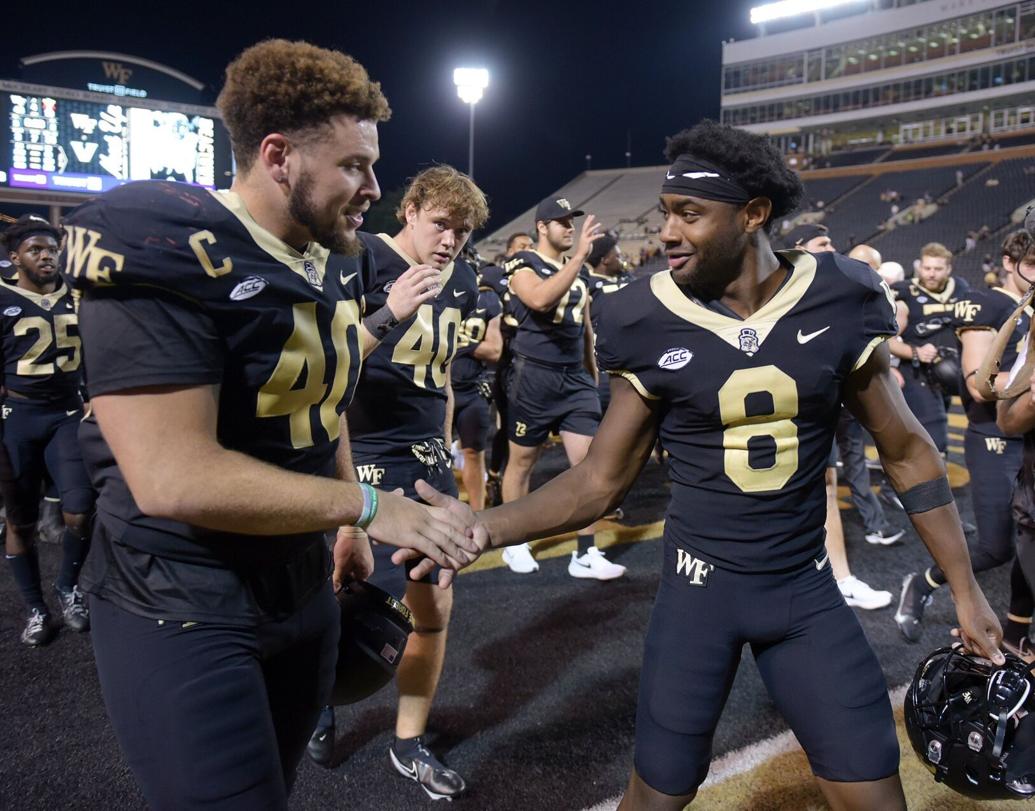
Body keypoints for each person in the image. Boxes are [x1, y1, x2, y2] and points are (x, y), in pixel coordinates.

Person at [424, 120, 1003, 809]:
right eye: (666, 212)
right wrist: (480, 529)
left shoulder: (838, 294)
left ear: (753, 213)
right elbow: (598, 480)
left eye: (689, 213)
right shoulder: (643, 314)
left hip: (804, 593)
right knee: (657, 792)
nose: (666, 231)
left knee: (874, 787)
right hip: (697, 595)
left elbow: (905, 450)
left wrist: (966, 591)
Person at [60, 40, 478, 810]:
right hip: (179, 593)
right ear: (279, 156)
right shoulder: (164, 242)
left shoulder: (329, 253)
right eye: (353, 164)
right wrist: (374, 508)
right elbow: (171, 476)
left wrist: (346, 512)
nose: (372, 187)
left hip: (298, 582)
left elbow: (326, 400)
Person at [312, 165, 488, 800]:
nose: (450, 241)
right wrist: (388, 311)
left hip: (423, 461)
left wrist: (441, 439)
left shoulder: (462, 278)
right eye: (442, 224)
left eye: (462, 232)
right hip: (353, 453)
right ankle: (320, 705)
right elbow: (320, 375)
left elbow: (440, 374)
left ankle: (409, 741)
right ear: (409, 210)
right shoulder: (356, 260)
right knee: (333, 600)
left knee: (433, 607)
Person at [897, 229, 1035, 653]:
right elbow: (977, 384)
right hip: (994, 435)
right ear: (1010, 264)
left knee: (1029, 539)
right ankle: (922, 582)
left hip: (1028, 437)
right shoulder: (990, 303)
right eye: (1031, 265)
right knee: (995, 548)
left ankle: (1016, 632)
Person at [499, 198, 624, 580]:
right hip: (533, 375)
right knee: (521, 463)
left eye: (572, 221)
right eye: (561, 221)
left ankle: (585, 553)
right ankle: (514, 540)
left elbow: (585, 326)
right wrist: (578, 259)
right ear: (541, 227)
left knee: (588, 466)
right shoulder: (522, 262)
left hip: (575, 378)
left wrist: (592, 372)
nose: (570, 228)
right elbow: (538, 298)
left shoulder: (580, 271)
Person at [1, 214, 94, 645]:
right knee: (20, 522)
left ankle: (67, 587)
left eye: (51, 249)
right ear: (14, 256)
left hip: (66, 414)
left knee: (79, 510)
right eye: (35, 250)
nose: (46, 256)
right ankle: (35, 607)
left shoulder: (75, 295)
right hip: (17, 417)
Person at [888, 242, 967, 454]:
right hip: (918, 374)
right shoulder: (906, 293)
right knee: (935, 437)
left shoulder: (961, 288)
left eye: (937, 269)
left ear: (948, 269)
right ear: (919, 267)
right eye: (927, 268)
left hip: (950, 373)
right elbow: (887, 340)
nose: (931, 274)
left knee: (926, 436)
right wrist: (916, 352)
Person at [482, 231, 532, 507]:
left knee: (523, 431)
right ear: (510, 250)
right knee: (505, 426)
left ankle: (512, 480)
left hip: (532, 364)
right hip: (507, 364)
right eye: (522, 246)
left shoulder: (539, 277)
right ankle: (494, 476)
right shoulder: (494, 277)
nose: (527, 250)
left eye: (530, 246)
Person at [452, 250, 503, 511]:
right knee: (430, 458)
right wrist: (473, 343)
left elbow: (494, 350)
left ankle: (477, 516)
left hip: (472, 390)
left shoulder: (488, 298)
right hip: (438, 388)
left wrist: (459, 341)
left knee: (473, 453)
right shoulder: (434, 292)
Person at [584, 232, 633, 412]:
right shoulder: (588, 284)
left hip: (632, 364)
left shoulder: (628, 280)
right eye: (617, 256)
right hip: (604, 368)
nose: (622, 260)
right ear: (605, 260)